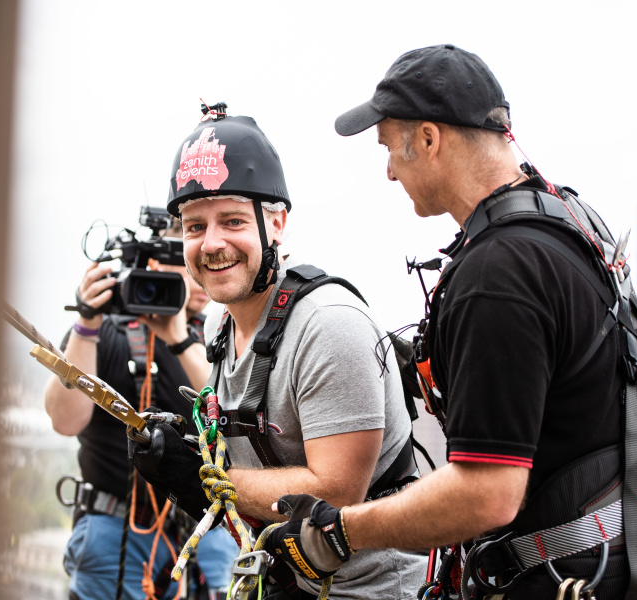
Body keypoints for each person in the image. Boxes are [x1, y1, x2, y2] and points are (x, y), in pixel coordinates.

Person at [262, 44, 637, 599]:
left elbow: (486, 494)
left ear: (428, 139)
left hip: (566, 577)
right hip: (632, 561)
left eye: (390, 148)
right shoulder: (567, 218)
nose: (389, 172)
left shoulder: (497, 274)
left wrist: (337, 533)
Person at [129, 110, 426, 599]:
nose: (212, 243)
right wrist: (185, 453)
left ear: (277, 223)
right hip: (291, 579)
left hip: (374, 587)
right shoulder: (219, 325)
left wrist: (206, 479)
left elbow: (336, 494)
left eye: (233, 221)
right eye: (195, 226)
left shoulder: (328, 325)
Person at [44, 218, 237, 600]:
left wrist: (180, 339)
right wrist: (86, 323)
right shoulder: (104, 333)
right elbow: (66, 420)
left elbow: (231, 415)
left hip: (208, 531)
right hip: (115, 532)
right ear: (155, 266)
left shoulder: (220, 335)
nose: (200, 273)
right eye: (187, 263)